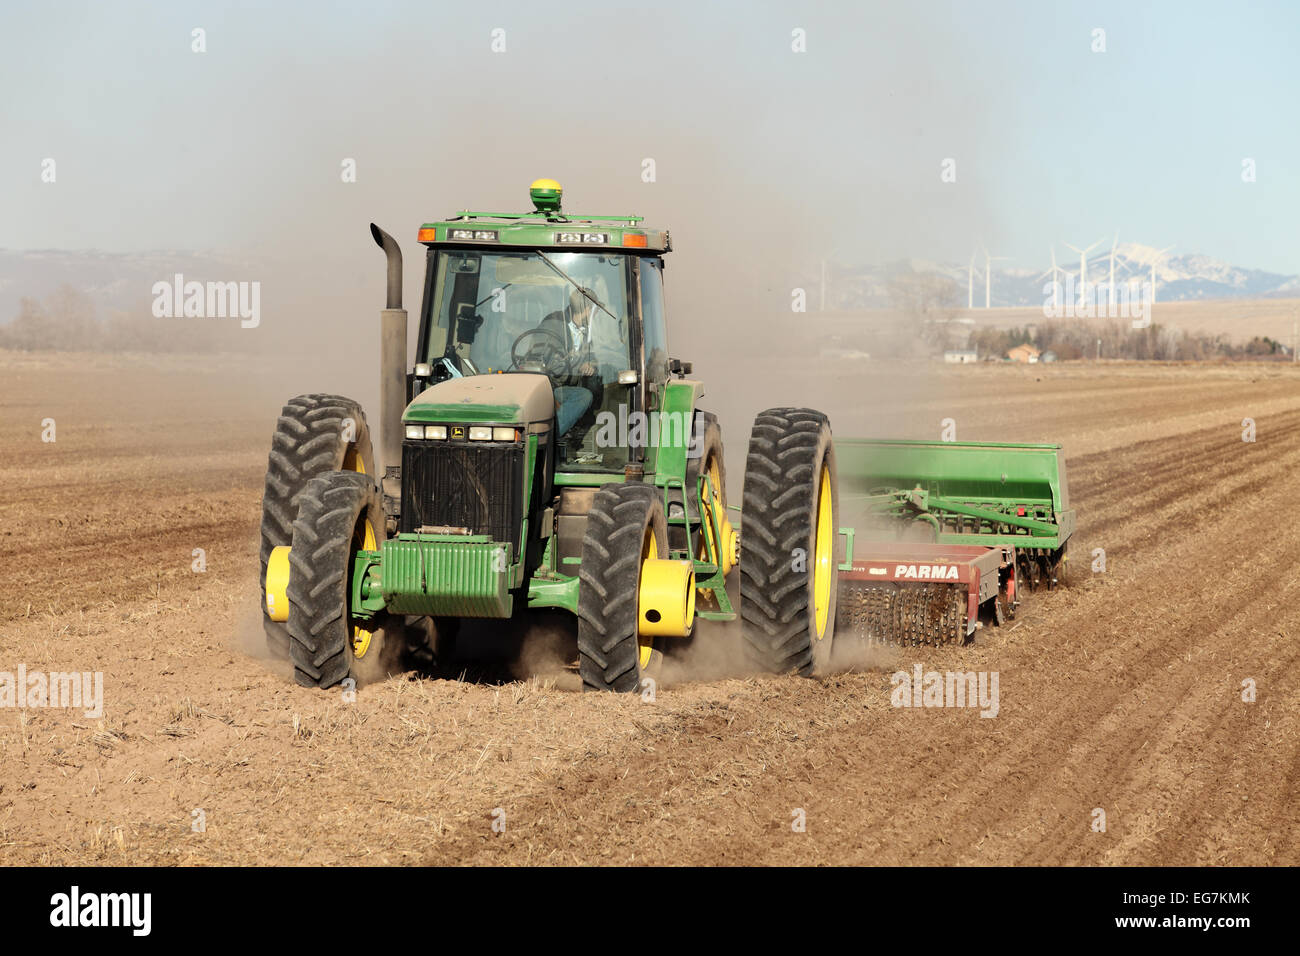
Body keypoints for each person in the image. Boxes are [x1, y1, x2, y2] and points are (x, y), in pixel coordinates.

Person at [539, 288, 601, 436]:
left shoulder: (586, 332)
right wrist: (579, 366)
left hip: (567, 385)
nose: (596, 315)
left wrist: (591, 365)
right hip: (549, 386)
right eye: (595, 311)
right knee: (583, 396)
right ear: (587, 310)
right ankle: (550, 436)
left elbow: (593, 357)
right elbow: (551, 362)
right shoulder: (553, 324)